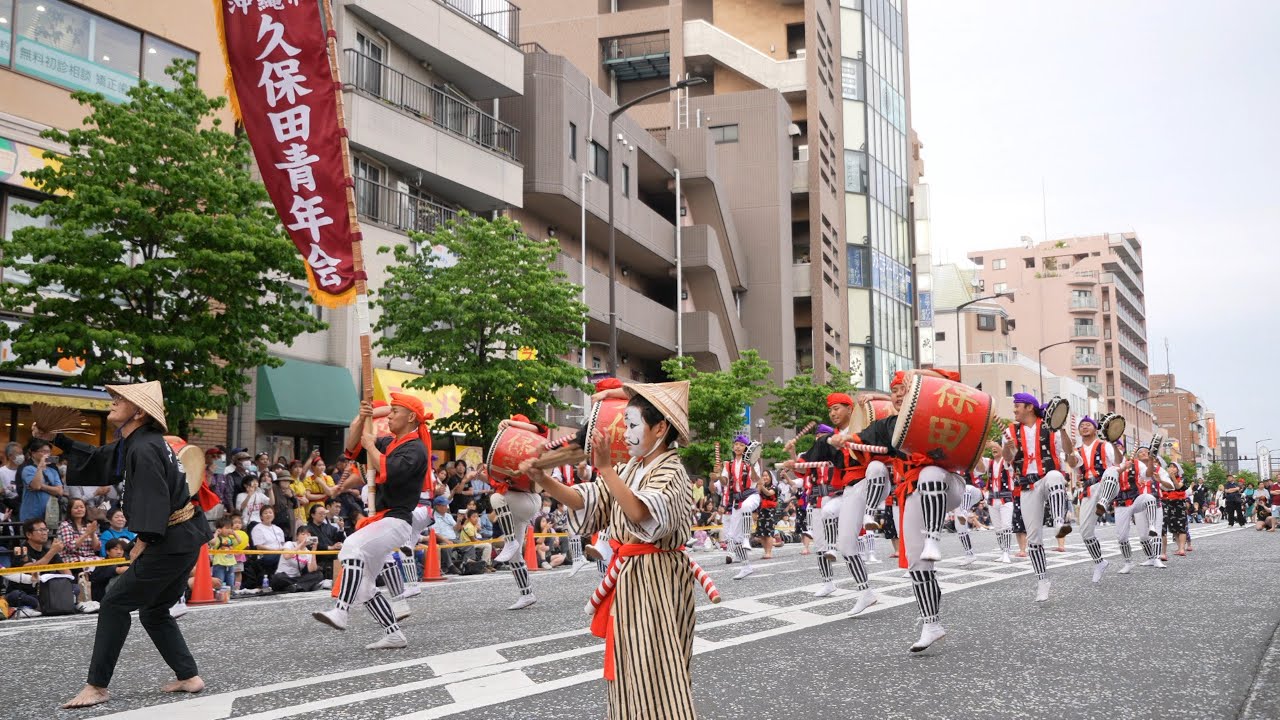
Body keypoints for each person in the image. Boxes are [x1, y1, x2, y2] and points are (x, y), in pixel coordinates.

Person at [521, 381, 697, 719]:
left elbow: (639, 513)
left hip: (657, 578)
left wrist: (604, 468)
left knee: (657, 670)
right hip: (633, 578)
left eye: (632, 425)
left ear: (660, 428)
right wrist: (542, 479)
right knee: (629, 669)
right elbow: (589, 499)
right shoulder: (632, 467)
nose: (625, 434)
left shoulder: (672, 471)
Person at [51, 380, 212, 709]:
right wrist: (54, 439)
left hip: (170, 538)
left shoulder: (143, 447)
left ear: (138, 412)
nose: (112, 402)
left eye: (119, 399)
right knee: (154, 611)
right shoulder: (140, 441)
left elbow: (155, 496)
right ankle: (188, 676)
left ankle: (96, 686)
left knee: (114, 603)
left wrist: (144, 540)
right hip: (184, 536)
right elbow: (100, 458)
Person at [313, 394, 431, 650]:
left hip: (397, 520)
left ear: (410, 417)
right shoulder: (391, 442)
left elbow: (390, 470)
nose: (388, 416)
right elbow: (352, 445)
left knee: (351, 547)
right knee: (365, 584)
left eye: (394, 412)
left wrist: (371, 447)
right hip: (384, 520)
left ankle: (342, 611)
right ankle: (393, 633)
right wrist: (362, 416)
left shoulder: (416, 448)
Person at [1001, 392, 1073, 603]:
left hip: (1046, 477)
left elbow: (1069, 454)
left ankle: (1059, 522)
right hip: (1026, 484)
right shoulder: (1010, 431)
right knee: (1034, 539)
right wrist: (1007, 448)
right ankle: (1042, 580)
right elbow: (1008, 460)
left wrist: (1062, 428)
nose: (1014, 410)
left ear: (1029, 407)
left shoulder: (1050, 427)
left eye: (1017, 406)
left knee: (1055, 476)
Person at [488, 414, 548, 610]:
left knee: (497, 499)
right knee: (514, 555)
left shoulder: (537, 439)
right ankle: (527, 593)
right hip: (516, 503)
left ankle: (511, 542)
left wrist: (510, 424)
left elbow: (538, 429)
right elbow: (501, 482)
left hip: (529, 499)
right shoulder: (509, 455)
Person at [1073, 416, 1121, 583]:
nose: (1084, 427)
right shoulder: (1077, 450)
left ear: (1095, 429)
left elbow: (1119, 462)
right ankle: (1100, 562)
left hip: (1107, 483)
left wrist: (1114, 443)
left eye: (1088, 425)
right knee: (1085, 531)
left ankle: (1104, 502)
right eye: (1081, 425)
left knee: (1111, 470)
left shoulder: (1105, 445)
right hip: (1089, 488)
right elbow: (1075, 468)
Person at [719, 434, 763, 579]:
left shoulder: (752, 462)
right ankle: (746, 566)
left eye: (741, 445)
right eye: (736, 444)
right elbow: (725, 482)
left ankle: (746, 538)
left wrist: (752, 465)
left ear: (746, 448)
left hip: (751, 495)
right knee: (733, 536)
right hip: (737, 499)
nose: (737, 447)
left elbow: (757, 480)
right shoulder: (729, 464)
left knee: (745, 508)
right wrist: (718, 475)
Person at [3, 517, 65, 616]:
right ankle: (39, 606)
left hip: (45, 593)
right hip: (24, 592)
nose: (45, 533)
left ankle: (44, 605)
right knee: (16, 596)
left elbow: (67, 573)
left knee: (74, 588)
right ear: (29, 534)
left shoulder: (49, 551)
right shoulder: (21, 550)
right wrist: (52, 551)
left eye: (45, 529)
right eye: (40, 530)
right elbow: (30, 570)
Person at [18, 438, 64, 523]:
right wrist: (40, 467)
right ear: (33, 453)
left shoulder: (53, 471)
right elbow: (36, 486)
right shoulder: (28, 469)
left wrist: (42, 486)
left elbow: (60, 491)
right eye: (43, 451)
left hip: (50, 515)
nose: (46, 454)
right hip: (31, 515)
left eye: (48, 452)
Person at [272, 525, 323, 592]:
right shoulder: (289, 544)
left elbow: (311, 569)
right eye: (303, 534)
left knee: (319, 575)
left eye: (308, 534)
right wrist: (301, 544)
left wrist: (314, 551)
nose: (306, 536)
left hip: (297, 577)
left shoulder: (308, 552)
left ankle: (295, 586)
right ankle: (300, 586)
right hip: (284, 577)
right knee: (277, 578)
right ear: (297, 536)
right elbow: (286, 556)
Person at [209, 518, 238, 590]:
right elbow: (212, 542)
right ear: (220, 529)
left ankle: (231, 593)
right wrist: (216, 533)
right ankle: (218, 594)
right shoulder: (218, 539)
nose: (229, 530)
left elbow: (239, 541)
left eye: (230, 528)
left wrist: (234, 533)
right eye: (227, 528)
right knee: (219, 582)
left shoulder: (230, 539)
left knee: (231, 581)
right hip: (219, 564)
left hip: (230, 563)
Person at [0, 441, 24, 516]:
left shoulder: (25, 471)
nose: (22, 456)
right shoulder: (1, 472)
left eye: (22, 453)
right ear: (10, 456)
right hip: (8, 509)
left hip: (23, 505)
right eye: (19, 454)